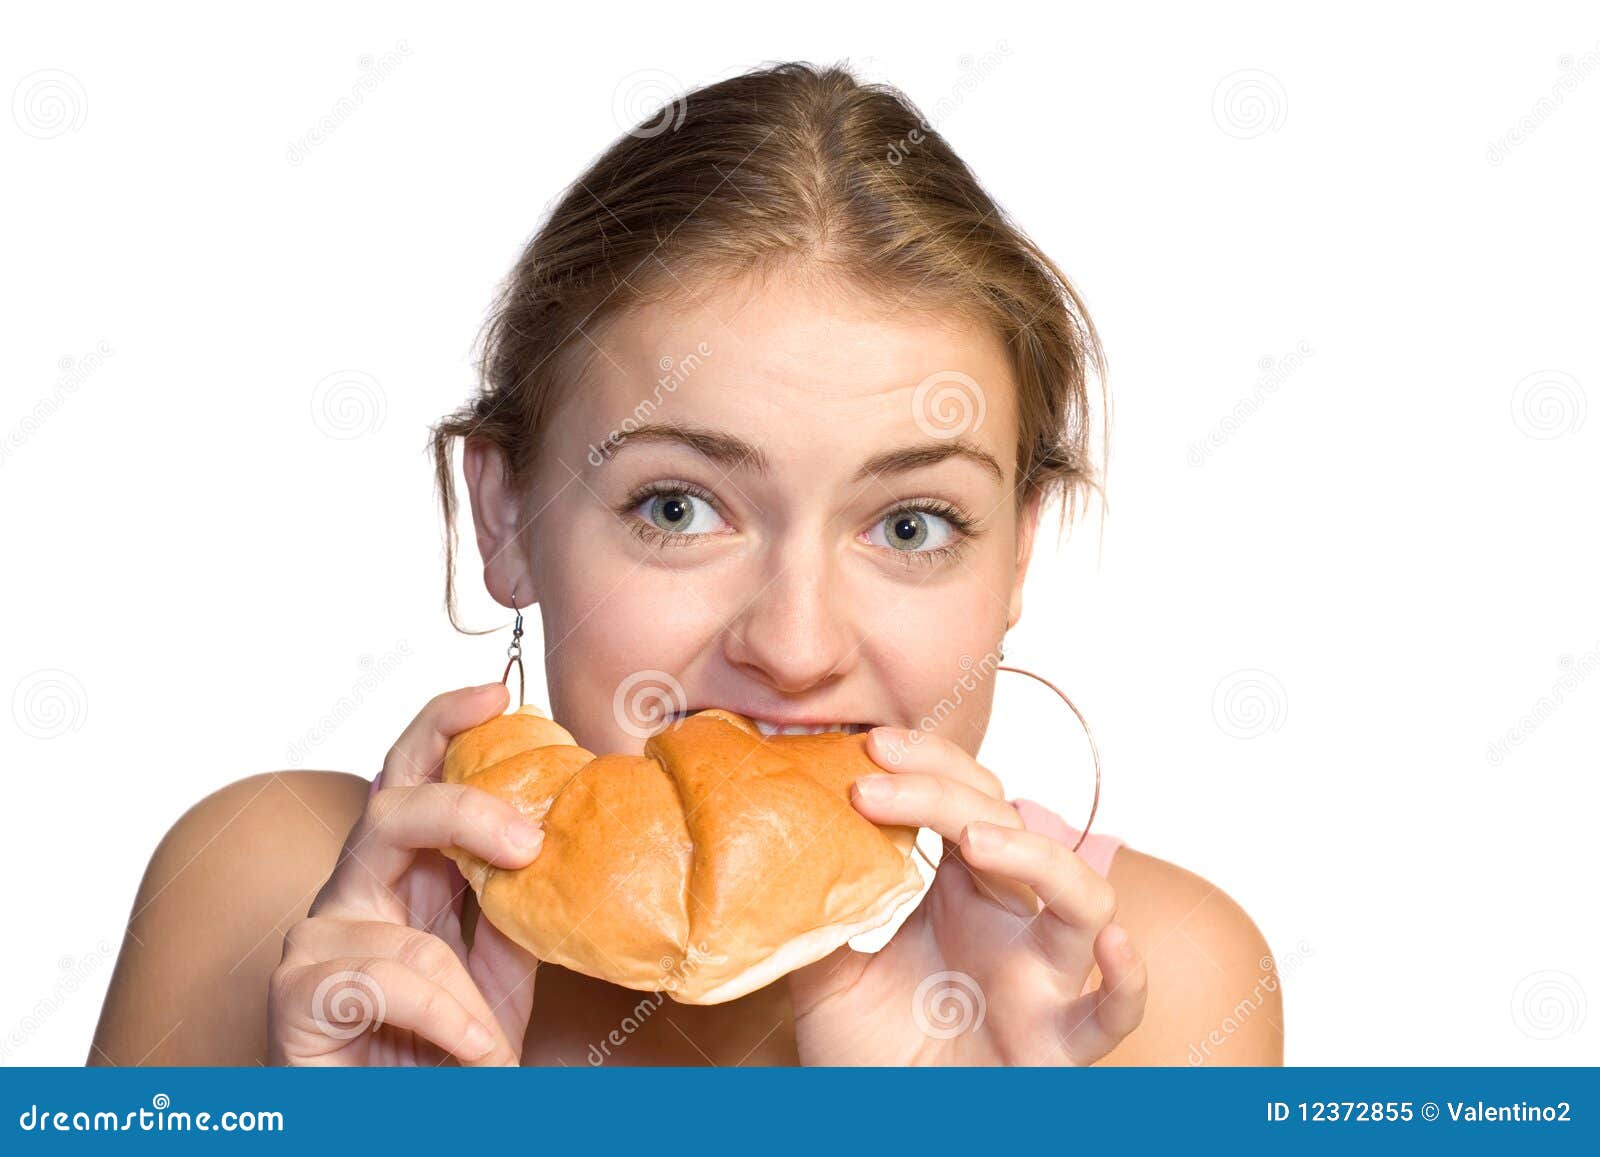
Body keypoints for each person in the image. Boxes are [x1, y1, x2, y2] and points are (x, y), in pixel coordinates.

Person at [89, 60, 1282, 1067]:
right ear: (504, 517)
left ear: (1018, 553)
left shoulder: (1152, 990)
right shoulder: (265, 893)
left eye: (911, 524)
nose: (796, 646)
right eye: (677, 505)